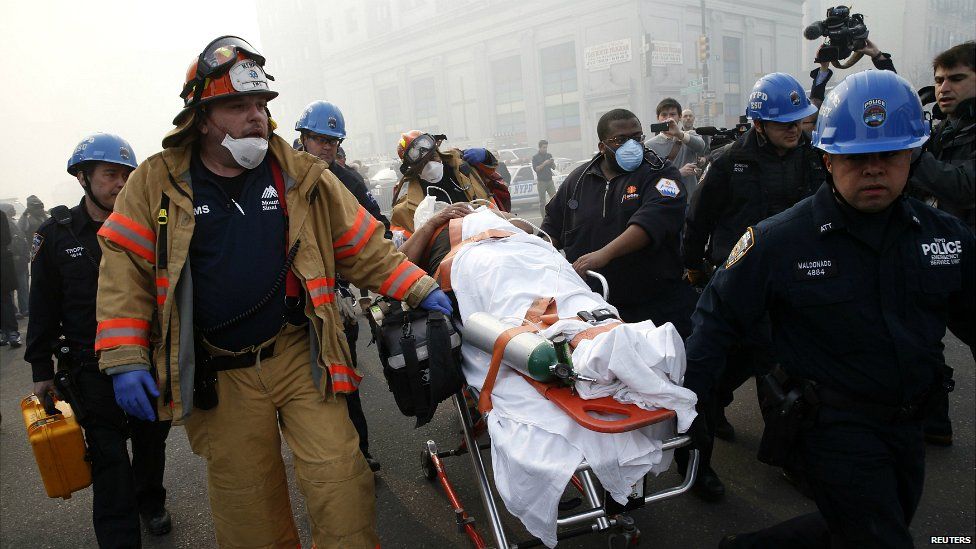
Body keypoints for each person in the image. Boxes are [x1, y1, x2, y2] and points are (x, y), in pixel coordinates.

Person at [95, 36, 451, 548]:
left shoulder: (301, 175)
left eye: (260, 105)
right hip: (221, 376)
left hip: (301, 354)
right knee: (249, 517)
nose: (255, 117)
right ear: (201, 116)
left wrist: (419, 287)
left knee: (341, 486)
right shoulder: (156, 183)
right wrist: (125, 357)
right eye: (238, 106)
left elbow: (362, 247)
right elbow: (123, 271)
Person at [687, 69, 973, 549]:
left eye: (891, 154)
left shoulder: (944, 236)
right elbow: (715, 323)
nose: (875, 169)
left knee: (875, 521)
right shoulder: (776, 242)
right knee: (880, 536)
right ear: (827, 160)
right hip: (832, 429)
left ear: (914, 156)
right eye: (857, 157)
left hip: (908, 424)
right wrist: (688, 409)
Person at [27, 133, 173, 547]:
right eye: (111, 175)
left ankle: (151, 502)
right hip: (88, 371)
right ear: (83, 178)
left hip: (144, 362)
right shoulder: (57, 235)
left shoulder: (147, 225)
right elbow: (42, 307)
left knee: (150, 444)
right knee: (108, 459)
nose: (121, 184)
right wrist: (42, 371)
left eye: (127, 175)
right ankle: (119, 537)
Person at [681, 73, 824, 470]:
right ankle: (706, 436)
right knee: (721, 369)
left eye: (799, 121)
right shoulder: (728, 162)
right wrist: (693, 267)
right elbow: (697, 220)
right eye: (785, 123)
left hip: (792, 280)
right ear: (759, 124)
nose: (795, 130)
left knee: (783, 371)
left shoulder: (811, 156)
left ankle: (790, 459)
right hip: (736, 281)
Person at [296, 99, 391, 471]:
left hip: (332, 295)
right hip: (287, 301)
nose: (327, 147)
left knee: (343, 377)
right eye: (319, 139)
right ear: (302, 138)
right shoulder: (278, 176)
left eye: (333, 141)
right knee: (302, 389)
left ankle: (358, 454)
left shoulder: (348, 180)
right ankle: (316, 461)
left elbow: (376, 227)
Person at [541, 108, 696, 334]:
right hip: (595, 309)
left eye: (636, 137)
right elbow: (551, 229)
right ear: (602, 147)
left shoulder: (661, 173)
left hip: (655, 306)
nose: (631, 145)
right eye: (621, 140)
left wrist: (604, 254)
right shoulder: (580, 179)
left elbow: (651, 222)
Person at [908, 40, 976, 447]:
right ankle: (935, 423)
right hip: (941, 252)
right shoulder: (948, 127)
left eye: (957, 78)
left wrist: (912, 152)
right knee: (923, 338)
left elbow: (963, 186)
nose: (943, 88)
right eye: (938, 80)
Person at [389, 130, 497, 238]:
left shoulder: (461, 165)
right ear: (412, 168)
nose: (430, 166)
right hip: (450, 249)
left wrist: (486, 156)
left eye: (432, 157)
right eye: (422, 164)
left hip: (491, 230)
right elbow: (405, 246)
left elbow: (491, 171)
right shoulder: (406, 205)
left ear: (438, 151)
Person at [645, 98, 707, 197]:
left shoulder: (689, 136)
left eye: (673, 114)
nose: (668, 118)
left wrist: (679, 134)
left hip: (688, 197)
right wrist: (678, 173)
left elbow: (701, 146)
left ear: (679, 117)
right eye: (664, 115)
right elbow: (650, 177)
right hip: (664, 200)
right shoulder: (649, 145)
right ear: (658, 118)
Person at [0, 203, 29, 317]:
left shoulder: (14, 222)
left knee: (22, 285)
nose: (13, 210)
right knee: (11, 286)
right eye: (11, 208)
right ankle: (15, 311)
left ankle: (24, 308)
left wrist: (25, 254)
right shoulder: (5, 223)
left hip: (20, 259)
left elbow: (22, 239)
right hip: (11, 259)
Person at [0, 209, 18, 347]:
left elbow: (6, 238)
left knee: (5, 299)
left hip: (2, 262)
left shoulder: (1, 215)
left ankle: (12, 332)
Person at [532, 139, 558, 217]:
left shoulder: (548, 155)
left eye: (546, 147)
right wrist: (544, 163)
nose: (545, 149)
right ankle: (544, 218)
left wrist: (552, 163)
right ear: (540, 148)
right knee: (542, 202)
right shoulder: (535, 157)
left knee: (554, 199)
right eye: (543, 147)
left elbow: (553, 168)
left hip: (549, 181)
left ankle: (556, 216)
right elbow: (536, 169)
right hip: (541, 182)